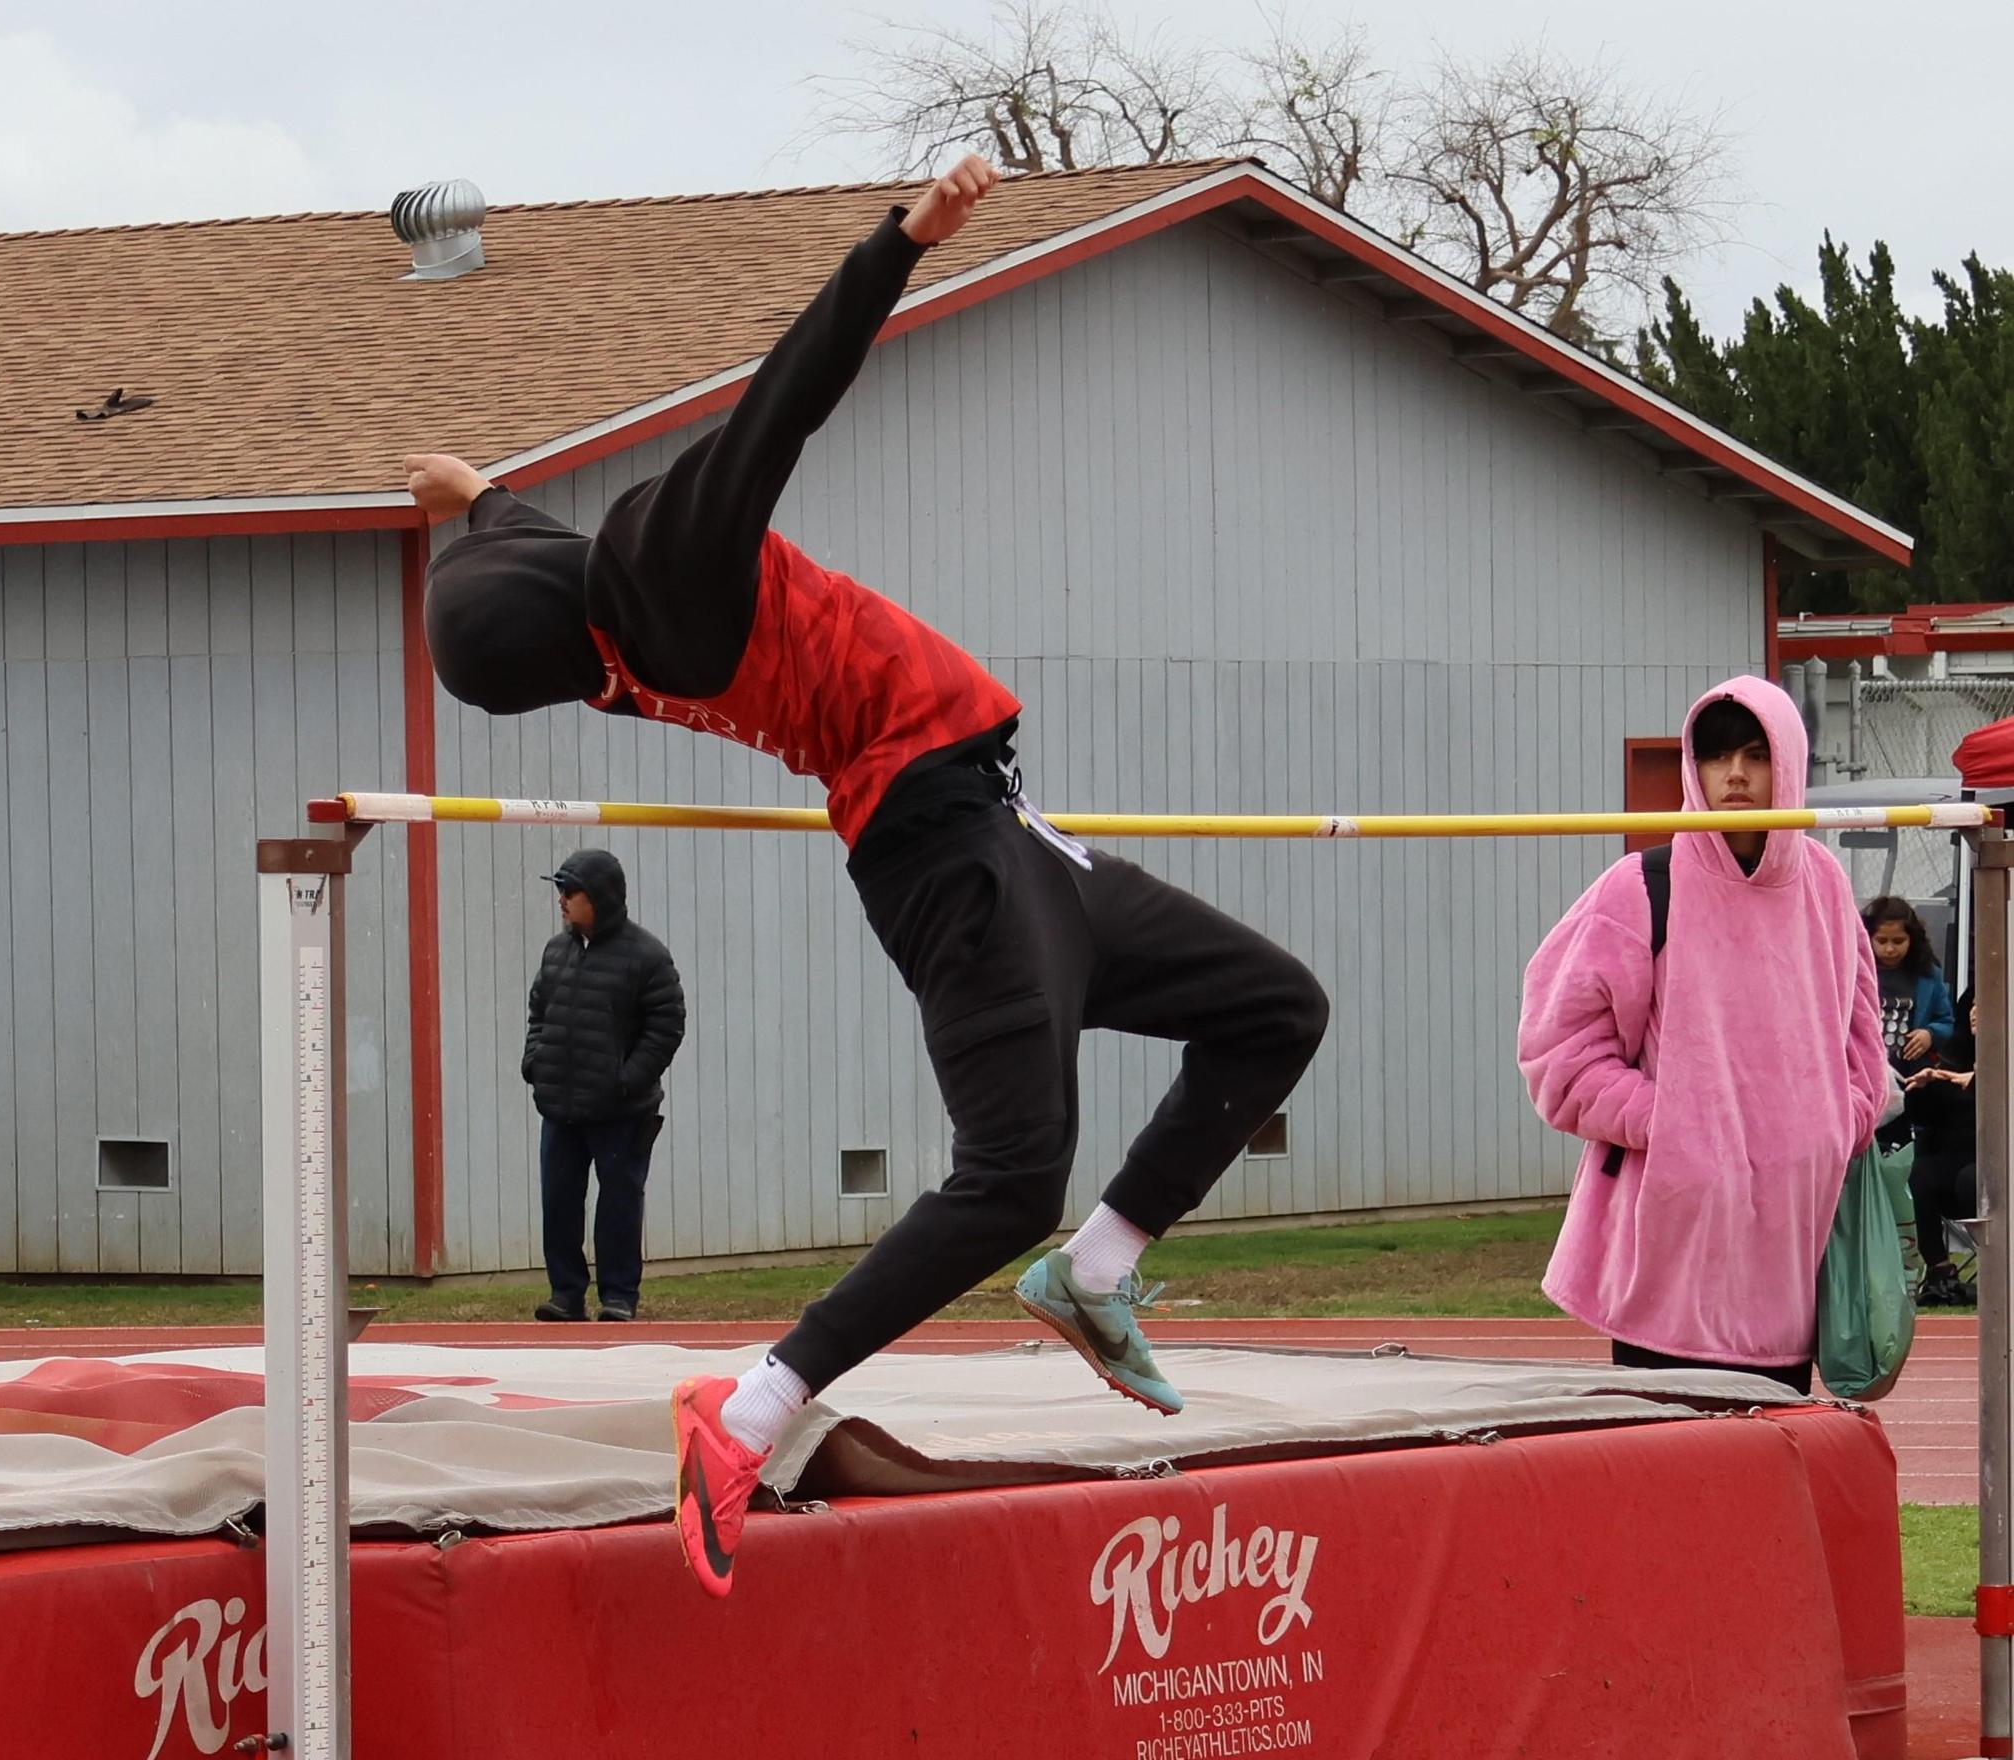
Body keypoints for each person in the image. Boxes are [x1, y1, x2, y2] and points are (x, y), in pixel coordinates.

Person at [406, 153, 1329, 1597]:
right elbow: (786, 397)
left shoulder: (596, 652)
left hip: (1009, 836)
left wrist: (462, 492)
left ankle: (1093, 1278)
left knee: (1275, 1006)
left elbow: (505, 526)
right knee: (1010, 1169)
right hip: (942, 851)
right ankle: (752, 1403)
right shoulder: (664, 561)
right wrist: (903, 241)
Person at [1518, 678, 1885, 1397]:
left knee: (1765, 1483)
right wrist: (1675, 1122)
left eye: (1755, 753)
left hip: (1786, 1256)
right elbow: (1557, 1054)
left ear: (1789, 759)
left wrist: (1831, 1125)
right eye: (1717, 757)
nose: (1738, 775)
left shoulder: (1828, 889)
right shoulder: (1641, 887)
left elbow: (1863, 1046)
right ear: (1695, 767)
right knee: (1662, 1485)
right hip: (1670, 1254)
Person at [523, 848, 685, 1323]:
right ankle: (565, 1293)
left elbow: (667, 1027)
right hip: (561, 1106)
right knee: (559, 1202)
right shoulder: (557, 951)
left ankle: (618, 1297)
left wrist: (627, 1080)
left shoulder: (648, 956)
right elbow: (538, 1012)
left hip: (621, 1111)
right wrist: (535, 1061)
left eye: (569, 890)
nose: (561, 899)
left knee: (619, 1203)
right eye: (559, 889)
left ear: (600, 897)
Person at [1903, 989, 1979, 1308]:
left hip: (1997, 1166)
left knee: (1971, 1180)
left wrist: (1978, 1081)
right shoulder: (1955, 1054)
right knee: (1922, 1174)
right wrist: (1922, 1089)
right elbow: (1927, 1119)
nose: (1977, 1011)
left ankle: (2000, 1268)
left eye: (1987, 1005)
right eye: (1973, 1005)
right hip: (1954, 1158)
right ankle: (1939, 1270)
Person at [1861, 894, 1955, 1081]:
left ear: (1912, 940)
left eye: (1898, 941)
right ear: (1867, 938)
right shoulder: (1857, 974)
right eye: (1882, 941)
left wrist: (1930, 1034)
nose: (1889, 949)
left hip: (1914, 1077)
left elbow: (1947, 1020)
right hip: (1866, 1074)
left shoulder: (1928, 975)